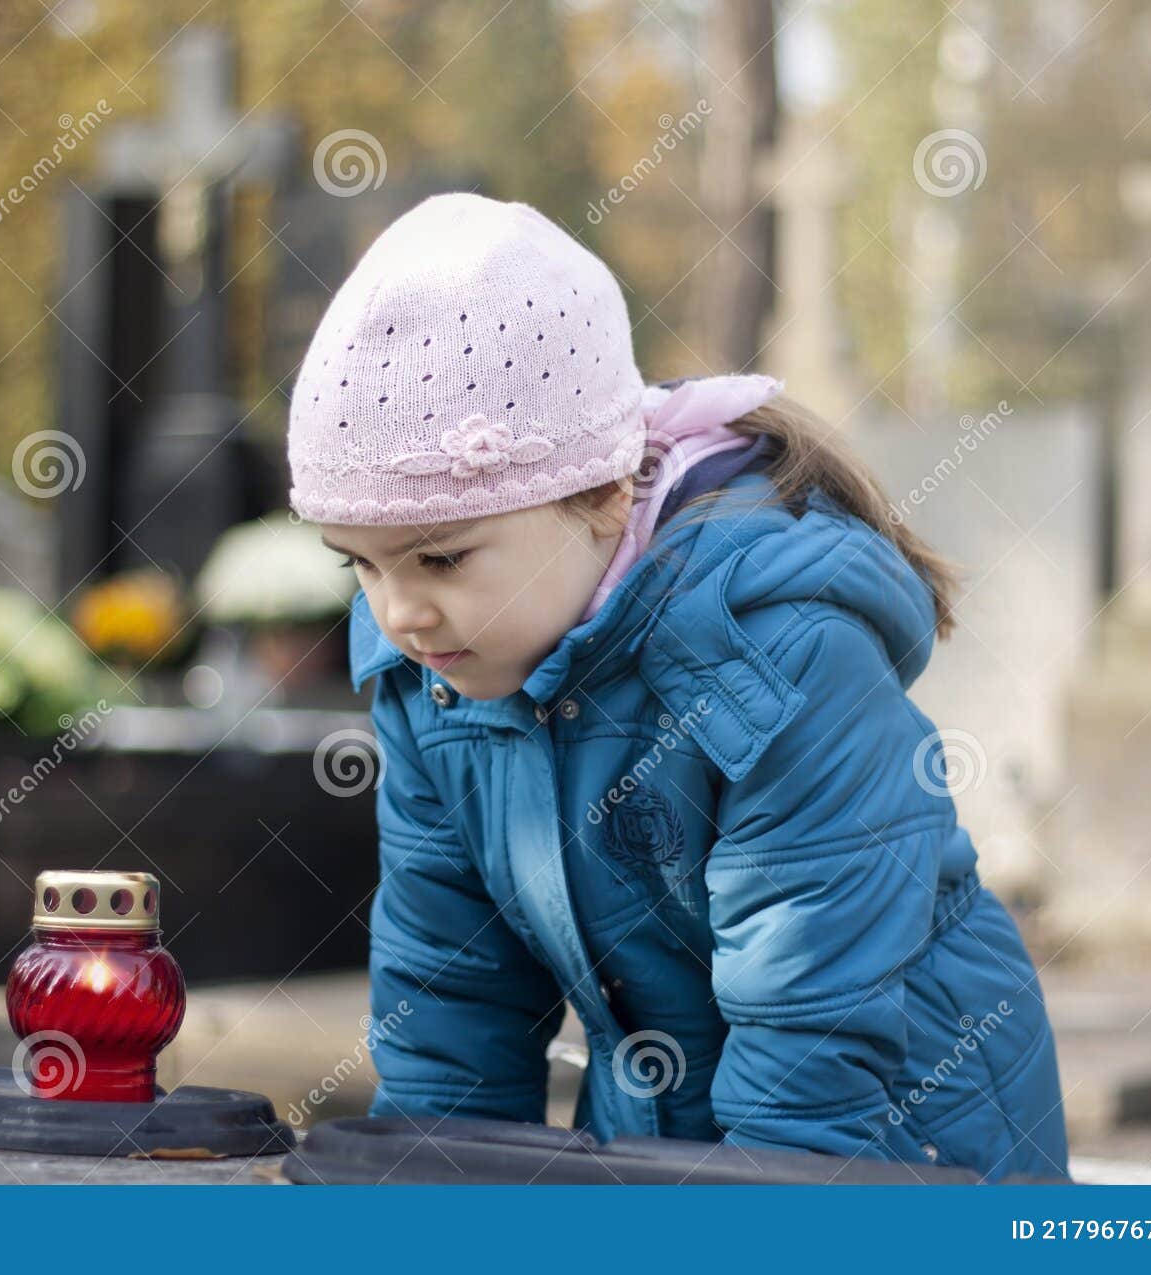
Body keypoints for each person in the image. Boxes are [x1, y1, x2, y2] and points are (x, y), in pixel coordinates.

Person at [285, 191, 1068, 1182]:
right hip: (666, 1143)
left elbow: (809, 1032)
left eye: (439, 560)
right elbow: (451, 998)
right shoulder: (432, 678)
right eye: (356, 563)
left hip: (902, 1145)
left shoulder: (775, 654)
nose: (396, 613)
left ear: (605, 493)